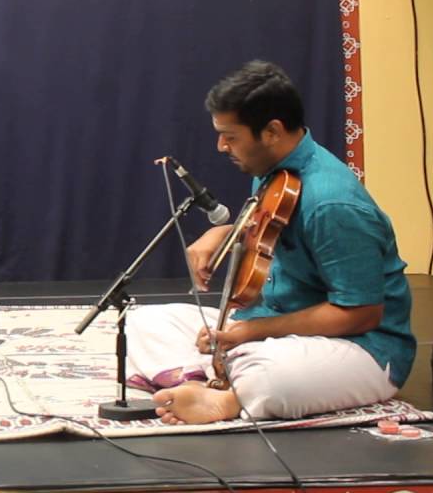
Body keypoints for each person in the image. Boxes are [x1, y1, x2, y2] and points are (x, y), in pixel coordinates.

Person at [126, 61, 415, 424]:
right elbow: (266, 231)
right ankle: (204, 381)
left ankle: (227, 398)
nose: (220, 146)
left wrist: (252, 331)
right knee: (146, 321)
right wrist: (225, 233)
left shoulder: (332, 205)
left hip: (360, 348)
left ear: (272, 131)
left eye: (230, 136)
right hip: (280, 323)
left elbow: (362, 313)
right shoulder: (274, 169)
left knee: (269, 375)